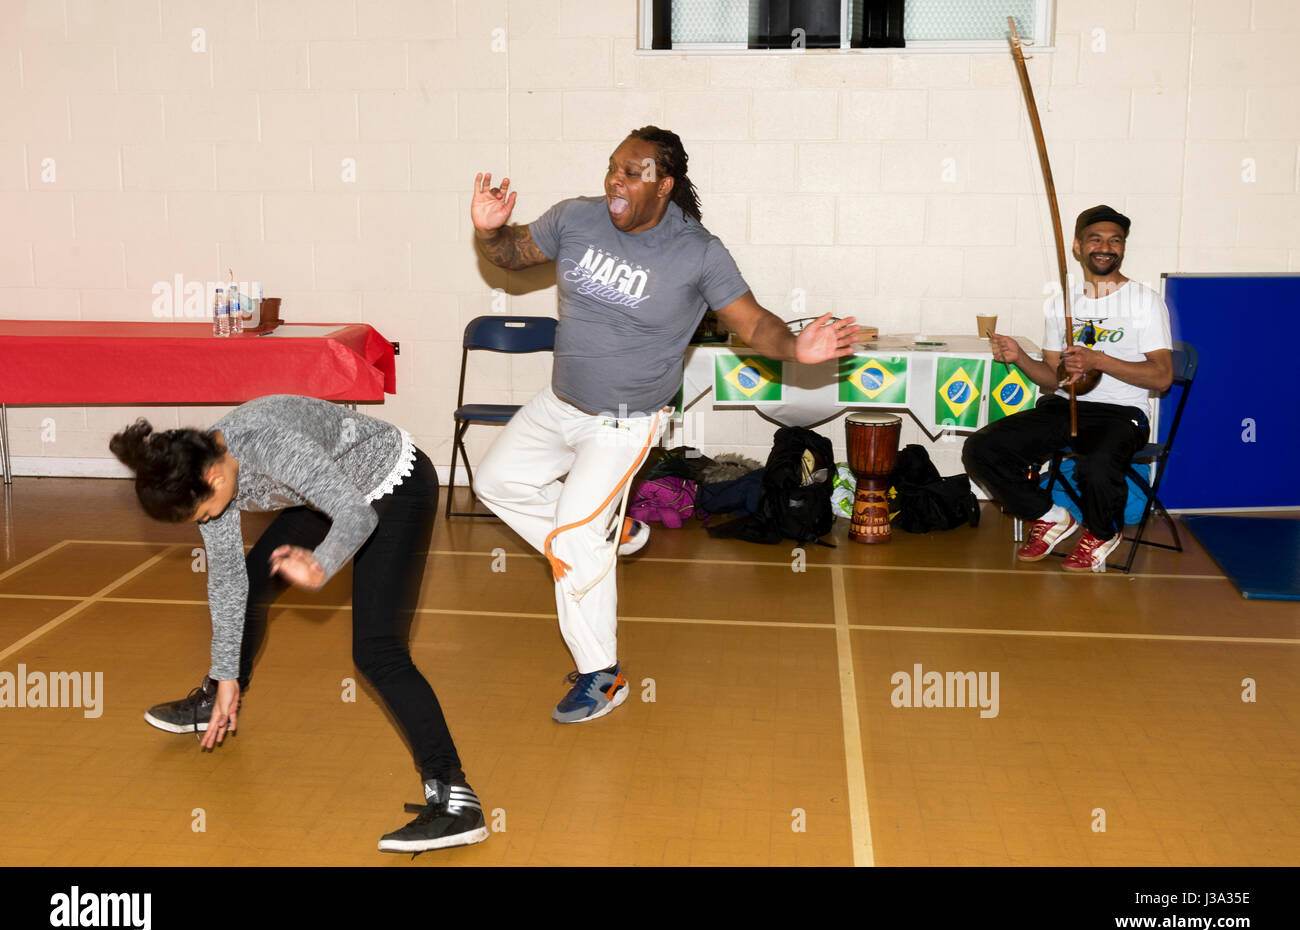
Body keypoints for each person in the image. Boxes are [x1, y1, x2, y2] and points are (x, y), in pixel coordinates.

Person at [469, 126, 859, 722]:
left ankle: (603, 675)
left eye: (632, 173)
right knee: (494, 483)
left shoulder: (697, 251)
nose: (615, 182)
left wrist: (794, 346)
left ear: (664, 186)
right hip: (560, 404)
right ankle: (614, 533)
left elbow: (751, 324)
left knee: (575, 540)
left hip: (624, 421)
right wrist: (490, 227)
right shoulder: (576, 217)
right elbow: (512, 255)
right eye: (612, 168)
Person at [110, 394, 487, 853]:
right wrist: (226, 672)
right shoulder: (201, 463)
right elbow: (227, 579)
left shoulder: (268, 446)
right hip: (327, 489)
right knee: (248, 584)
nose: (209, 520)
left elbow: (355, 515)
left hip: (392, 486)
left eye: (204, 513)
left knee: (378, 652)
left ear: (213, 477)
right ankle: (218, 698)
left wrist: (322, 564)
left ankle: (455, 799)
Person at [962, 205, 1173, 572]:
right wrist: (1020, 358)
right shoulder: (1062, 302)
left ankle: (1103, 531)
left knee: (1095, 464)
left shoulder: (1144, 302)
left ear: (1123, 248)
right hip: (1064, 406)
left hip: (1122, 414)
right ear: (1078, 247)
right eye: (1096, 239)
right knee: (983, 447)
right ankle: (1050, 516)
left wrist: (1100, 361)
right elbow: (1052, 377)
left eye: (1115, 241)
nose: (1105, 247)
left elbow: (1161, 377)